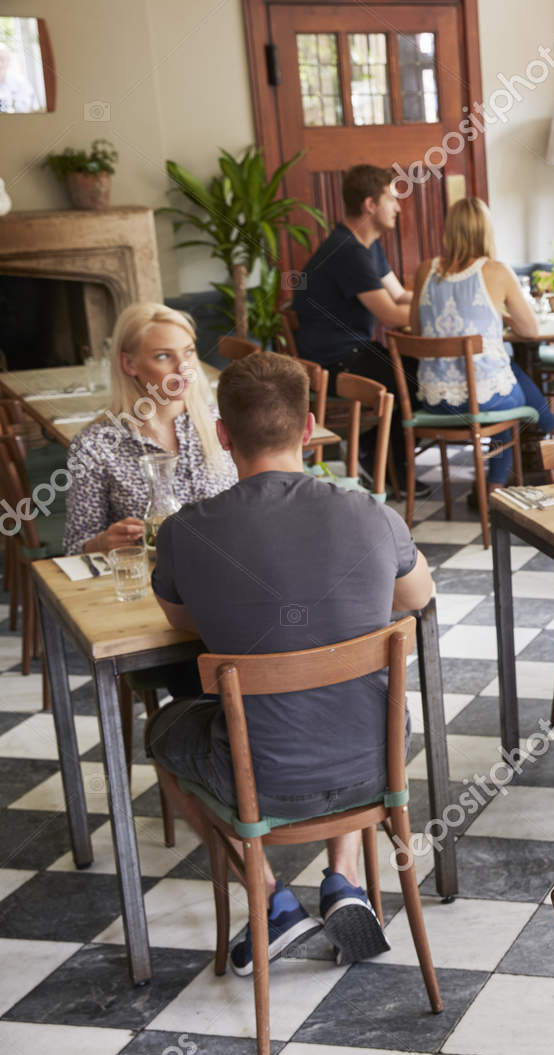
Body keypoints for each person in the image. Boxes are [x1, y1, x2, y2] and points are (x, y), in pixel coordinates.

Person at [146, 351, 436, 973]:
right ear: (309, 429)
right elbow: (418, 598)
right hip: (377, 761)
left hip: (263, 779)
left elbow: (177, 621)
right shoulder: (371, 513)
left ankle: (271, 902)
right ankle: (344, 881)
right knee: (344, 697)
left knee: (162, 732)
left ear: (222, 436)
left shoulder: (183, 532)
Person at [411, 197, 554, 504]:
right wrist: (503, 315)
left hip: (433, 402)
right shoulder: (497, 271)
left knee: (507, 372)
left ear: (449, 230)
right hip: (482, 401)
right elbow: (530, 331)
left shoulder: (424, 271)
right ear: (486, 231)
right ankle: (496, 485)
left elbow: (418, 334)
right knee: (504, 388)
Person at [64, 303, 237, 557]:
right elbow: (74, 547)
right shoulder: (94, 445)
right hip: (149, 586)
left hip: (227, 572)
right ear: (129, 364)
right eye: (163, 356)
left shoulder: (222, 422)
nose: (184, 368)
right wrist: (102, 543)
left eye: (188, 352)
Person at [291, 165, 415, 480]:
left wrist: (444, 298)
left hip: (352, 353)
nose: (398, 207)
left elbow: (399, 295)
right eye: (392, 199)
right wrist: (442, 312)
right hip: (334, 364)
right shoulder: (347, 251)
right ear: (370, 205)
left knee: (417, 374)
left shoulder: (368, 246)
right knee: (417, 382)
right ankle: (385, 466)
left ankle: (375, 454)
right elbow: (390, 315)